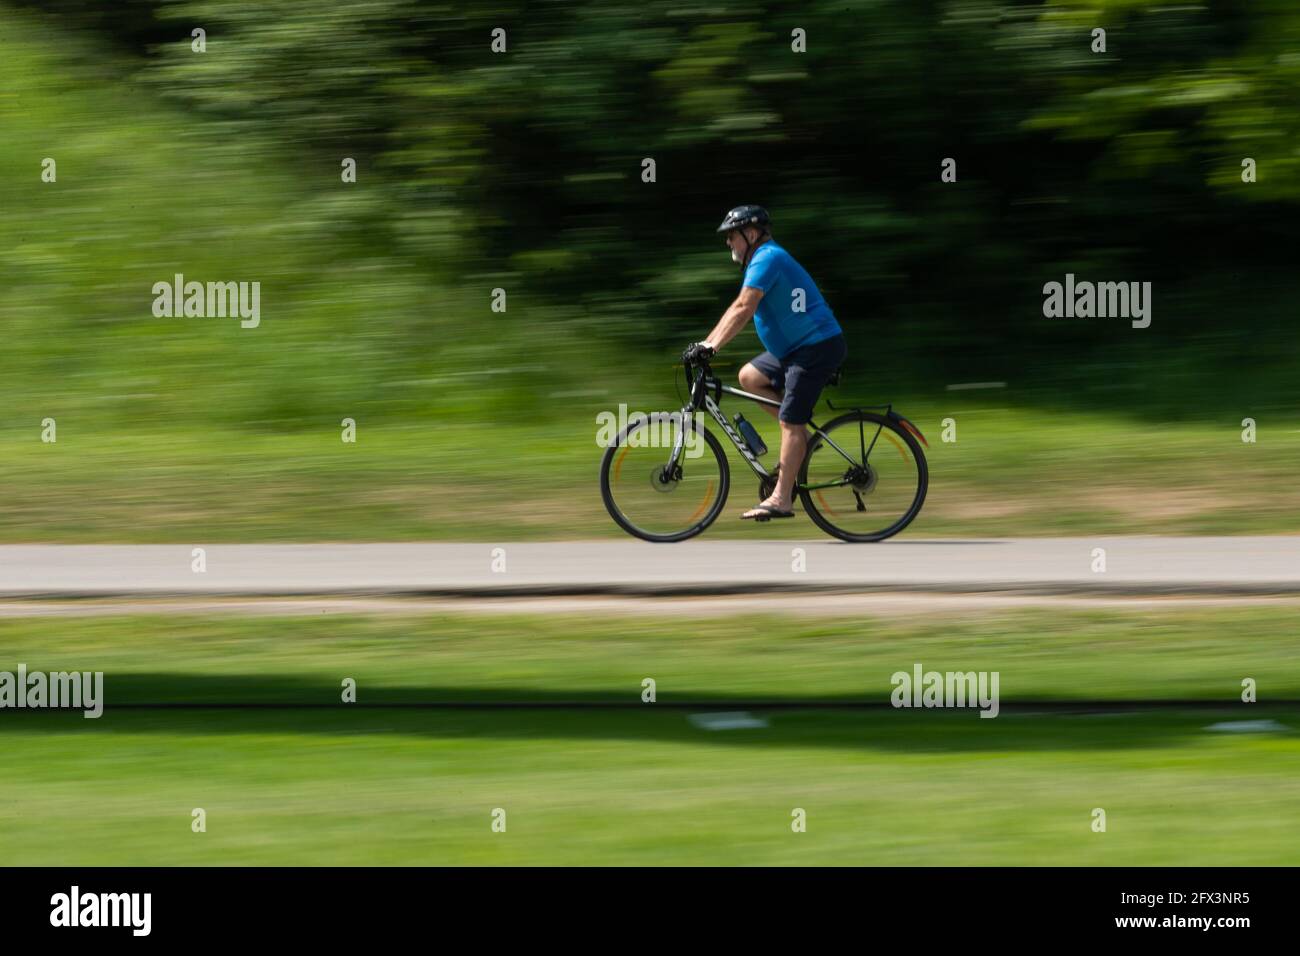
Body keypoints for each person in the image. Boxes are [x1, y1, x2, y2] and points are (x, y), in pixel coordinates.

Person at [693, 205, 846, 519]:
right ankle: (801, 441)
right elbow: (740, 307)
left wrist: (710, 346)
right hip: (794, 349)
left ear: (751, 234)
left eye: (732, 237)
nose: (728, 243)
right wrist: (707, 344)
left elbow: (744, 307)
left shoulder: (768, 257)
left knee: (790, 420)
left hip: (815, 347)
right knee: (750, 377)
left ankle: (782, 498)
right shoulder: (760, 260)